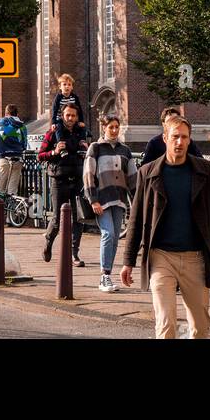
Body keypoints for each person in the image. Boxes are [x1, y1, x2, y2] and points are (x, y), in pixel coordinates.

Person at [120, 115, 210, 340]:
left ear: (190, 140)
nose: (179, 142)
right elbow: (137, 218)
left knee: (200, 326)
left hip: (195, 257)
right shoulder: (148, 173)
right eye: (175, 137)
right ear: (165, 138)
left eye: (184, 137)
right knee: (166, 323)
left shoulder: (204, 170)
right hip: (161, 257)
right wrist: (128, 261)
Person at [83, 114, 138, 291]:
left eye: (117, 127)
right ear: (104, 128)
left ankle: (108, 274)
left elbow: (132, 177)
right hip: (102, 199)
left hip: (120, 199)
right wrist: (93, 199)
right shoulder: (96, 148)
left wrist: (137, 199)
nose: (114, 130)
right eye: (111, 127)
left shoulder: (125, 150)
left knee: (115, 238)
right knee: (108, 234)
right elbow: (88, 174)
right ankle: (104, 276)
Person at [39, 102, 89, 266]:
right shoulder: (53, 133)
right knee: (57, 218)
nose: (70, 118)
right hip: (59, 179)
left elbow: (90, 154)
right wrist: (54, 152)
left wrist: (87, 149)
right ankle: (48, 243)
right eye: (68, 115)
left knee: (79, 217)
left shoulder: (81, 132)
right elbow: (40, 155)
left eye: (73, 115)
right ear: (62, 116)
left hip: (77, 177)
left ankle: (74, 254)